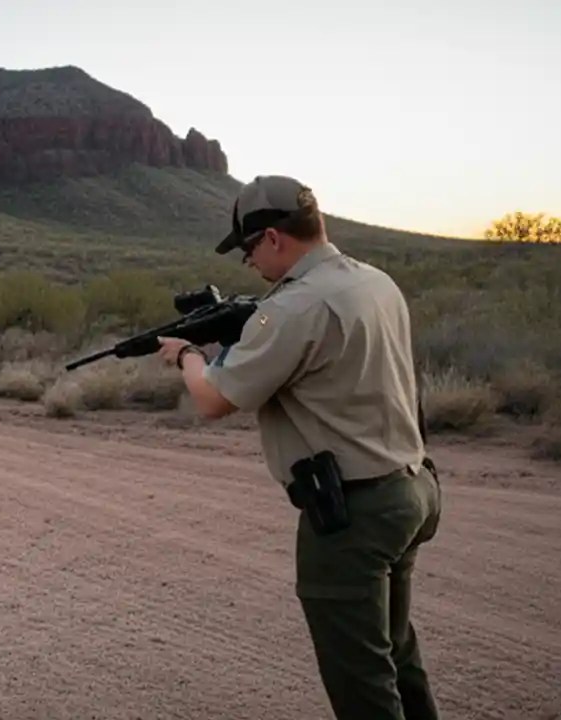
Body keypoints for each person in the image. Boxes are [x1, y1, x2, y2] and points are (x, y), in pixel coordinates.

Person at [154, 175, 441, 720]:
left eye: (248, 250)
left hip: (353, 512)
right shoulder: (375, 281)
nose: (252, 263)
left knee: (361, 680)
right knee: (396, 653)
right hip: (410, 487)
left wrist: (188, 354)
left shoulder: (294, 307)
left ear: (273, 238)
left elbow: (214, 400)